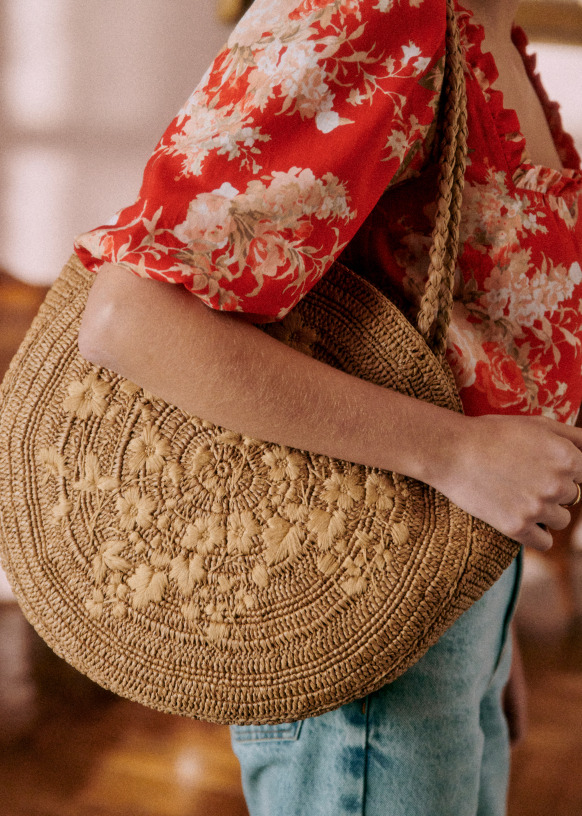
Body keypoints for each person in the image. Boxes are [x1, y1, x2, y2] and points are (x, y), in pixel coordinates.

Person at [75, 0, 582, 813]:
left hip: (432, 599)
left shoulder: (480, 23)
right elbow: (129, 320)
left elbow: (455, 339)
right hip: (359, 629)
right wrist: (453, 455)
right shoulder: (374, 11)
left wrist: (487, 610)